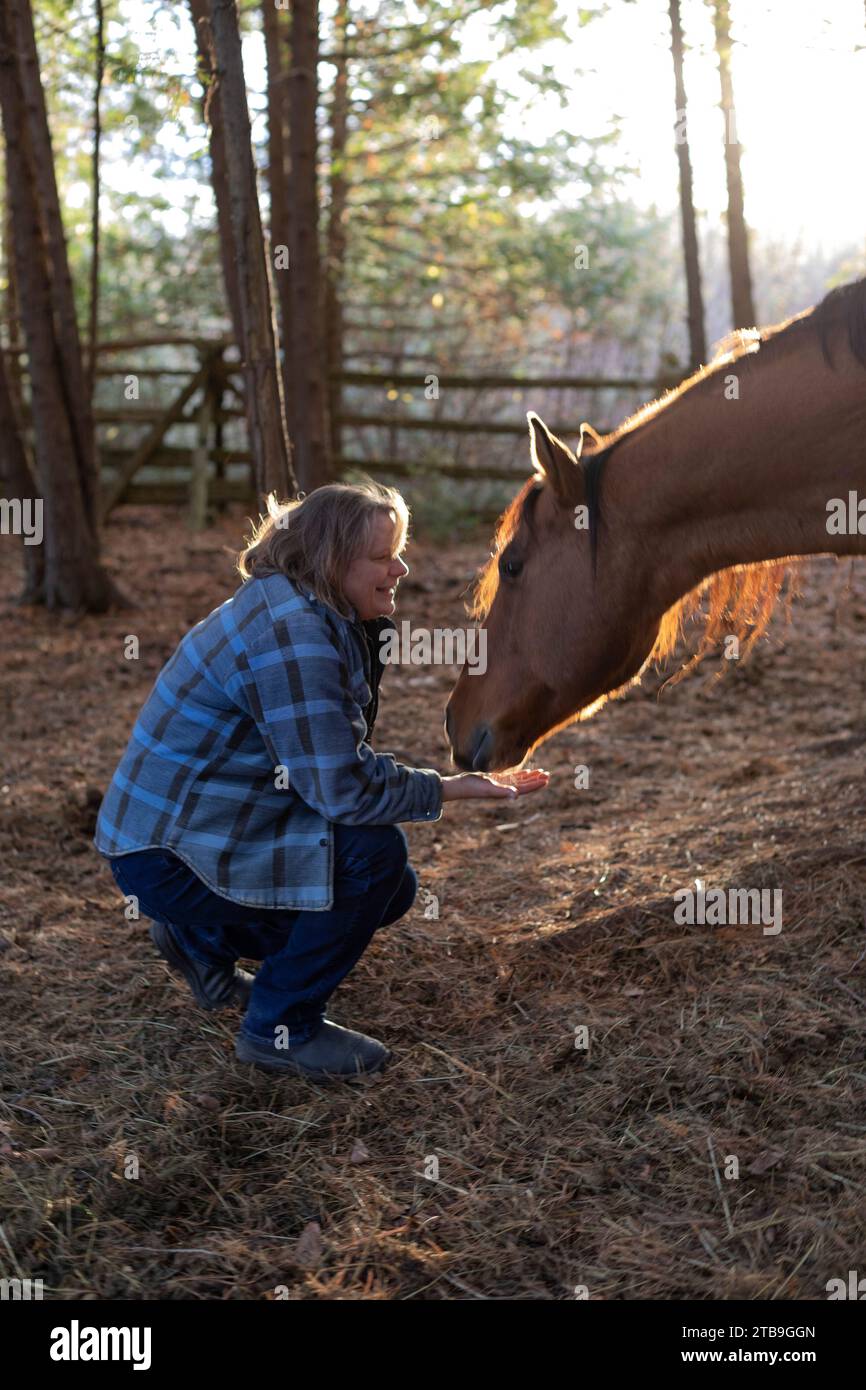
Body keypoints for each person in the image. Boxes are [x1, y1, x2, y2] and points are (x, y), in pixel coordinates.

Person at [94, 482, 548, 1080]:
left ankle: (198, 941)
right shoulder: (295, 637)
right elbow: (343, 791)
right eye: (383, 557)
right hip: (170, 854)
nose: (401, 568)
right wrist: (452, 787)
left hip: (182, 836)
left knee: (393, 888)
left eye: (399, 551)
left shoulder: (307, 607)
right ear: (333, 561)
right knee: (374, 857)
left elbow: (325, 769)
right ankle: (279, 1028)